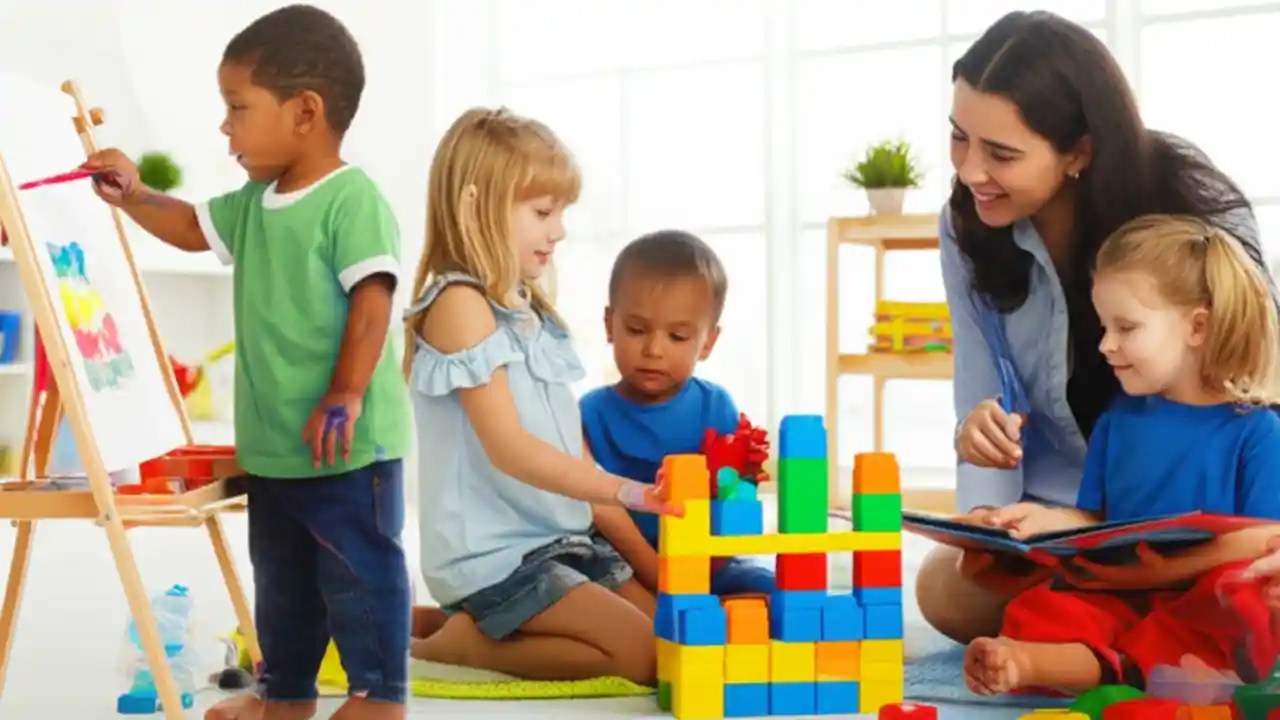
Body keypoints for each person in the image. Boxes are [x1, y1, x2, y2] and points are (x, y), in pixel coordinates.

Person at [83, 6, 413, 720]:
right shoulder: (253, 203)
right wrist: (135, 195)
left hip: (347, 449)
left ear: (305, 112)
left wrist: (346, 393)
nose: (225, 128)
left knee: (360, 575)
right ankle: (286, 696)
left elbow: (373, 301)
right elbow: (190, 228)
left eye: (237, 108)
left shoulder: (350, 201)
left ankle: (378, 696)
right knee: (284, 585)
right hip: (276, 451)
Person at [921, 9, 1277, 644]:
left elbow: (1261, 373)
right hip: (1075, 516)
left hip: (1206, 522)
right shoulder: (967, 224)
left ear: (1079, 151)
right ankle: (1137, 624)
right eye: (959, 137)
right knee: (943, 587)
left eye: (1001, 153)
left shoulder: (1191, 211)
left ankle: (1131, 625)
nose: (970, 171)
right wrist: (985, 496)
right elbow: (980, 388)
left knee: (1252, 586)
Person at [403, 107, 676, 686]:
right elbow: (511, 450)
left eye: (561, 213)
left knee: (677, 639)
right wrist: (628, 490)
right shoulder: (458, 305)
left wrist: (659, 570)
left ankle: (423, 622)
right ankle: (461, 645)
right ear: (477, 203)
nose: (558, 230)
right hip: (495, 558)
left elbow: (574, 459)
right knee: (646, 659)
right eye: (543, 212)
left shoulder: (532, 315)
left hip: (561, 543)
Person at [962, 214, 1280, 696]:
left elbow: (1264, 540)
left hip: (1202, 590)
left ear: (1197, 327)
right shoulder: (1118, 421)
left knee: (1241, 601)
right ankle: (1033, 662)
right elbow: (1097, 518)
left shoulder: (1256, 431)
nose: (1107, 345)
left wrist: (1165, 571)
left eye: (1126, 327)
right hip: (1129, 586)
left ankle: (1098, 668)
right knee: (1044, 606)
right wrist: (1042, 521)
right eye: (1104, 326)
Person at [580, 230, 774, 598]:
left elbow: (735, 499)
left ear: (708, 342)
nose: (653, 349)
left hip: (704, 560)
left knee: (774, 590)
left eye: (678, 337)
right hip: (620, 565)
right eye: (636, 330)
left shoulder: (716, 407)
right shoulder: (591, 413)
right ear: (609, 325)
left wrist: (710, 565)